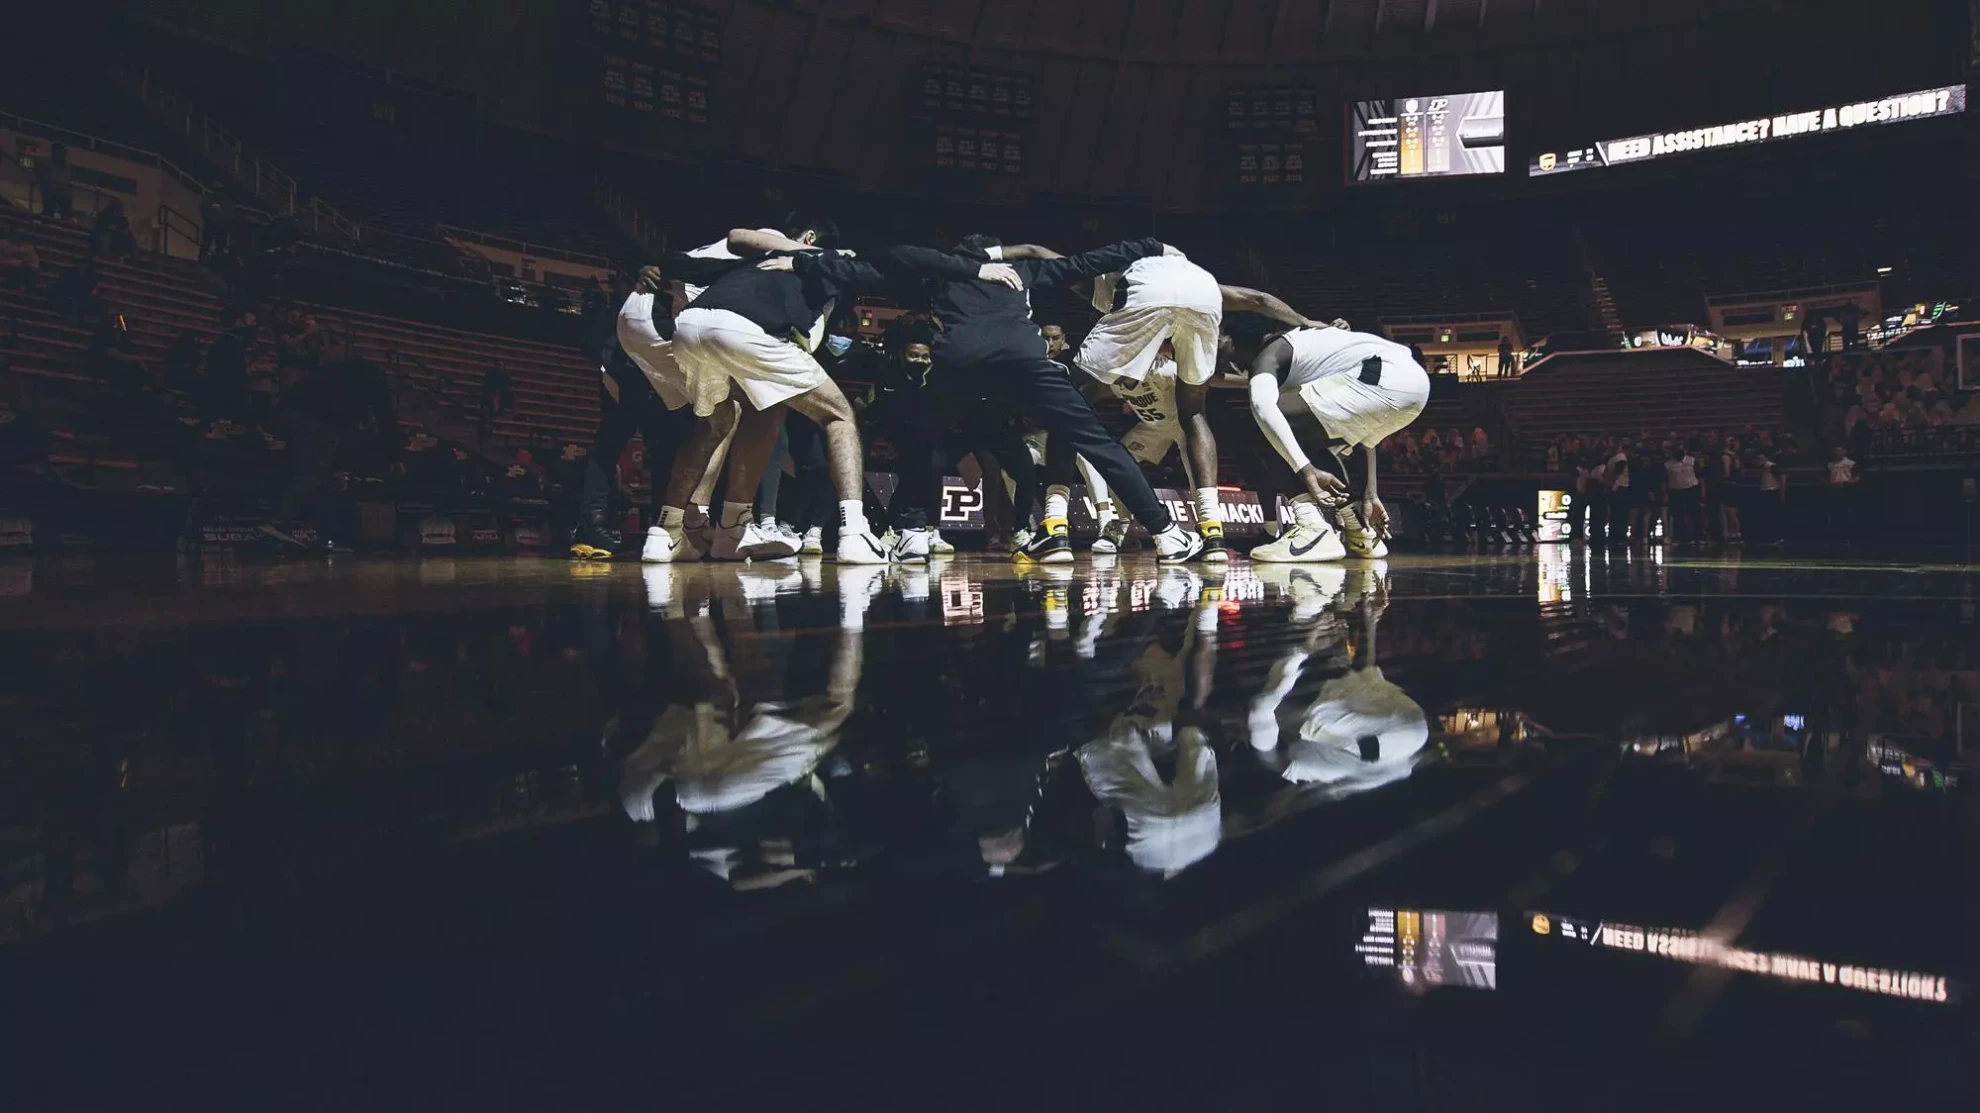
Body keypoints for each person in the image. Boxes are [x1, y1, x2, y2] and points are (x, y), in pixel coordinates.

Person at [876, 234, 1212, 565]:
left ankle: (913, 534)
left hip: (962, 363)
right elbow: (1088, 261)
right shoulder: (1016, 272)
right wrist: (1151, 246)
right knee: (1100, 443)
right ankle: (1166, 535)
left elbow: (897, 252)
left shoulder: (944, 271)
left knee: (920, 438)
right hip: (1024, 362)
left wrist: (971, 267)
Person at [647, 217, 900, 565]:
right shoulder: (826, 260)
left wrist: (652, 268)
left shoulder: (755, 259)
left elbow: (689, 263)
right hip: (746, 330)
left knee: (720, 421)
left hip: (691, 325)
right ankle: (855, 533)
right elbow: (871, 275)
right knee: (838, 414)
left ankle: (668, 533)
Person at [1072, 250, 1316, 561]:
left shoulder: (1162, 366)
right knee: (1103, 460)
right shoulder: (1110, 373)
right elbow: (1257, 299)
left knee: (1193, 430)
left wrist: (1264, 379)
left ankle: (1210, 528)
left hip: (1178, 426)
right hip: (1151, 429)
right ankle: (1116, 525)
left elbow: (1219, 379)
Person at [1230, 320, 1430, 561]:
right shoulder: (1316, 357)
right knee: (1297, 434)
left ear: (1238, 342)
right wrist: (1370, 494)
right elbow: (1366, 442)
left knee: (1259, 425)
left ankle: (1313, 529)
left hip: (1383, 376)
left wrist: (1305, 471)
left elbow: (1261, 407)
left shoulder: (1271, 353)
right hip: (1415, 389)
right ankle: (1359, 529)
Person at [259, 356, 399, 552]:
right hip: (310, 414)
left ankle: (321, 530)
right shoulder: (371, 384)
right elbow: (385, 418)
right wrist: (395, 455)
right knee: (314, 468)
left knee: (318, 470)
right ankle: (281, 520)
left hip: (293, 408)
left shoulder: (346, 378)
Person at [1664, 443, 1702, 544]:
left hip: (1690, 489)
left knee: (1694, 514)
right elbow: (1665, 480)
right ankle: (1681, 537)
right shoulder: (1668, 464)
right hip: (1676, 491)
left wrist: (1702, 490)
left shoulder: (1692, 461)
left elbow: (1700, 475)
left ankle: (1698, 537)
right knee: (1678, 515)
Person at [1826, 446, 1859, 542]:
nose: (1837, 453)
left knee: (1848, 514)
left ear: (1845, 451)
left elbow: (1857, 477)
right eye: (1836, 451)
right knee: (1834, 515)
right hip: (1834, 491)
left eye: (1840, 451)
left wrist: (1849, 482)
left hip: (1847, 490)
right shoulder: (1830, 465)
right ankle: (1835, 539)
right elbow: (1824, 478)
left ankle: (1849, 538)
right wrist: (1830, 484)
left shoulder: (1851, 464)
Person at [36, 144, 74, 222]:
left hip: (63, 194)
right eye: (60, 152)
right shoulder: (46, 163)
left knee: (66, 214)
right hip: (49, 192)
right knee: (48, 212)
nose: (63, 154)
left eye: (63, 152)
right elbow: (41, 177)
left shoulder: (67, 166)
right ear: (54, 152)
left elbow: (68, 182)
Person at [0, 228, 40, 293]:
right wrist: (18, 263)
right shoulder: (3, 244)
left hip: (24, 270)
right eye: (18, 234)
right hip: (6, 267)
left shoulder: (29, 247)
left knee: (28, 270)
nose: (19, 236)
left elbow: (35, 264)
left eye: (22, 235)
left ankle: (28, 291)